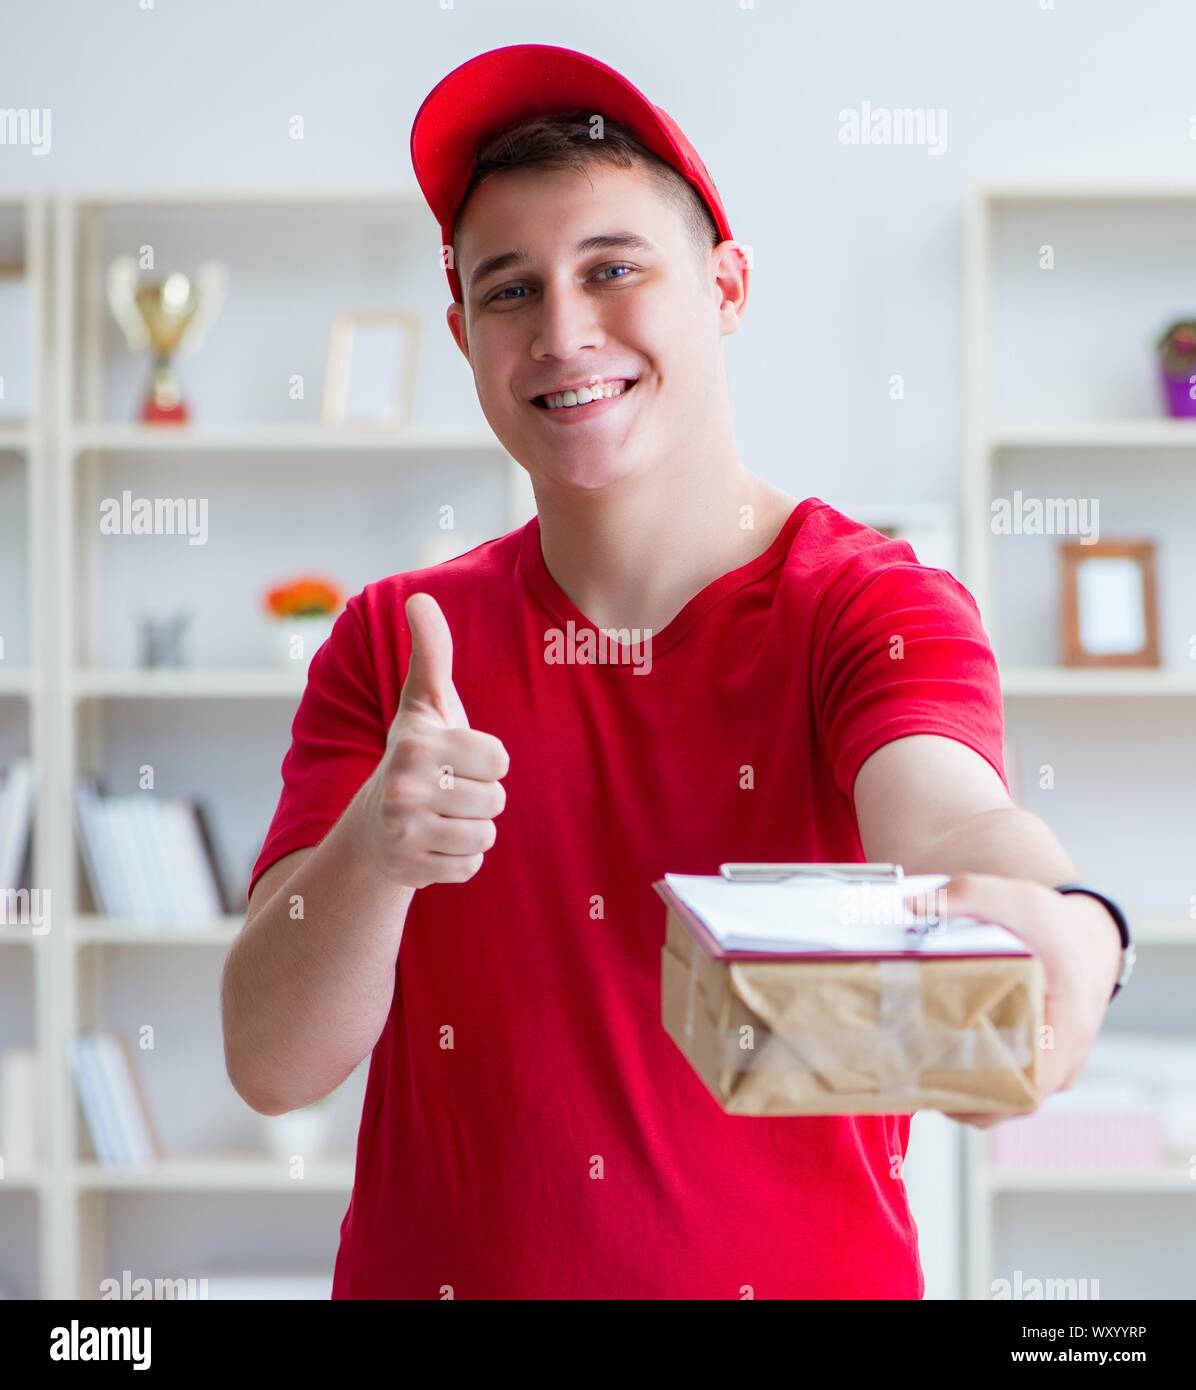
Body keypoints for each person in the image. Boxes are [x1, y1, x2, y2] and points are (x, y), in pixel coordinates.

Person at [221, 44, 1129, 1299]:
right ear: (462, 334)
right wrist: (374, 849)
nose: (563, 331)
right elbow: (271, 1062)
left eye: (610, 269)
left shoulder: (867, 604)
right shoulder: (396, 639)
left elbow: (953, 812)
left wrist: (1078, 932)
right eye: (509, 290)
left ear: (726, 285)